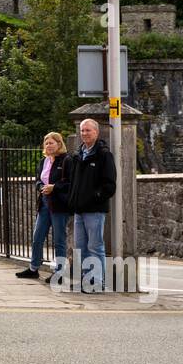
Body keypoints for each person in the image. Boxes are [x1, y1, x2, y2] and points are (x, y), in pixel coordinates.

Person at [56, 119, 117, 292]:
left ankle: (97, 283)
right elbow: (72, 182)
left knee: (95, 246)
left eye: (88, 130)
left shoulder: (104, 155)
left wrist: (94, 197)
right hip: (78, 210)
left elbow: (110, 185)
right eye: (82, 131)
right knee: (81, 248)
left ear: (96, 132)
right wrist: (73, 200)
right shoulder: (77, 155)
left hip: (94, 210)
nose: (84, 134)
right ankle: (86, 280)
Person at [17, 132, 69, 279]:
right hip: (44, 203)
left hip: (59, 205)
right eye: (46, 143)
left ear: (59, 144)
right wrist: (41, 186)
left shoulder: (66, 160)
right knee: (37, 236)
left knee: (59, 239)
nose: (48, 146)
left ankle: (59, 273)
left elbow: (70, 183)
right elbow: (38, 180)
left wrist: (54, 187)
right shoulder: (43, 161)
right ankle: (33, 268)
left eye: (52, 143)